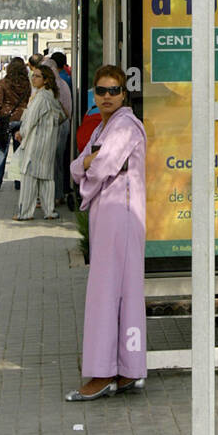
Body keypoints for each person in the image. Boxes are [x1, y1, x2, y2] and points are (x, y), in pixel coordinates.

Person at [66, 65, 147, 401]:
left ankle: (103, 372)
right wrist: (87, 165)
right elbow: (76, 166)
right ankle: (128, 369)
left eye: (114, 90)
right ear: (94, 94)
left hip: (121, 215)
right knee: (122, 292)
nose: (107, 97)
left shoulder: (125, 126)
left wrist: (88, 165)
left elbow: (99, 166)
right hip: (112, 214)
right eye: (101, 91)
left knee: (108, 292)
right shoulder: (104, 127)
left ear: (124, 94)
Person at [14, 64, 67, 221]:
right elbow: (62, 116)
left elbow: (30, 120)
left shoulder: (41, 97)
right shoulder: (51, 96)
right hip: (49, 141)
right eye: (33, 75)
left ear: (45, 80)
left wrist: (21, 133)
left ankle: (25, 213)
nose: (33, 78)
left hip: (36, 142)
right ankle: (49, 211)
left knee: (29, 176)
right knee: (46, 177)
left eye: (37, 76)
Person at [0, 57, 30, 191]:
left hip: (7, 120)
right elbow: (29, 100)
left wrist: (4, 111)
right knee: (19, 152)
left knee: (2, 151)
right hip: (22, 118)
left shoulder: (4, 82)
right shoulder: (27, 83)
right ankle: (18, 182)